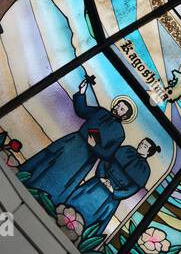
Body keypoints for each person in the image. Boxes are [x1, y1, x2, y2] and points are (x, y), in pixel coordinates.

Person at [18, 76, 132, 205]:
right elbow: (82, 111)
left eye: (121, 109)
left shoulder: (119, 134)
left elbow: (108, 154)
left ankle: (46, 200)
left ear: (125, 116)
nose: (117, 108)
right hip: (73, 141)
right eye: (118, 105)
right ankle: (27, 181)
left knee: (66, 177)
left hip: (85, 157)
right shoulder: (101, 112)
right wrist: (82, 92)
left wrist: (95, 146)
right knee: (49, 161)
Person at [65, 138, 159, 232]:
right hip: (99, 182)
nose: (140, 145)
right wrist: (101, 177)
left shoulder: (144, 170)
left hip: (112, 196)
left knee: (96, 216)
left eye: (144, 146)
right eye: (141, 143)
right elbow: (106, 161)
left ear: (148, 152)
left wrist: (114, 191)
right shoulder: (127, 149)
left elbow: (132, 189)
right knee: (78, 199)